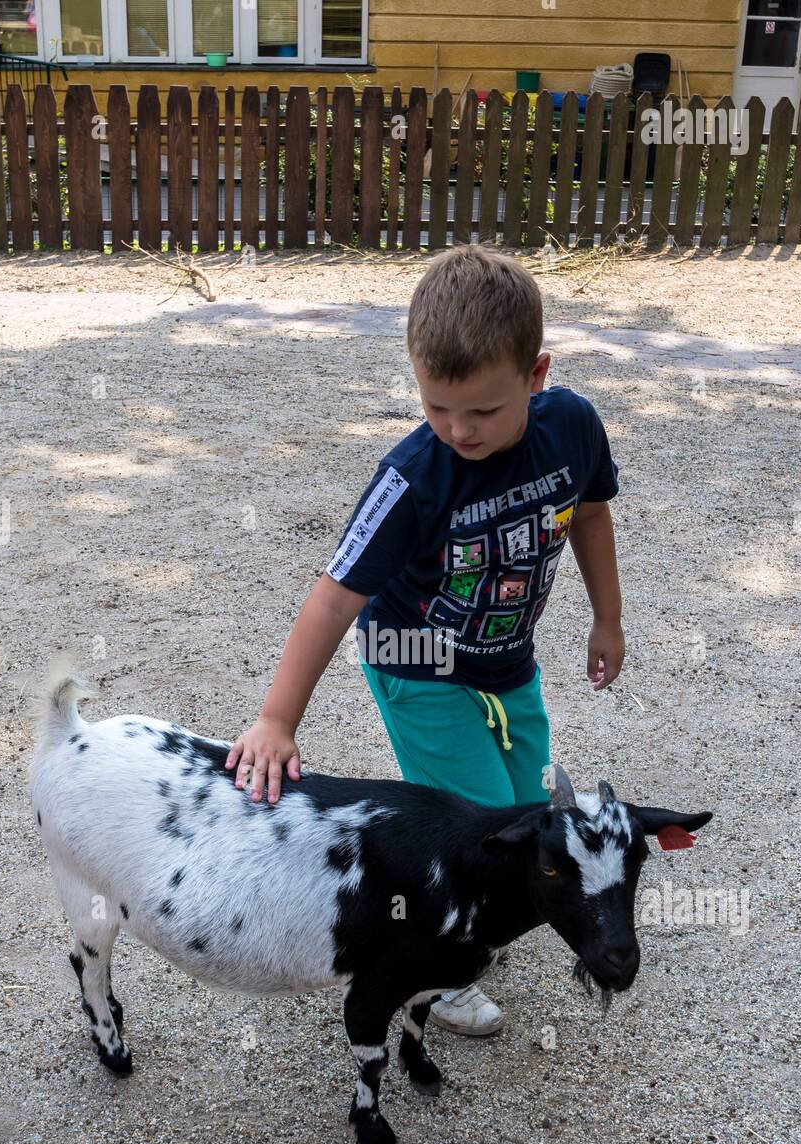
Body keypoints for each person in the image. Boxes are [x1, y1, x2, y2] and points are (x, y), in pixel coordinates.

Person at [227, 245, 624, 1035]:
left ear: (536, 374)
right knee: (474, 825)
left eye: (483, 410)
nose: (458, 429)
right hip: (420, 666)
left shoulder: (572, 427)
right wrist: (276, 718)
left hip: (509, 664)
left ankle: (492, 913)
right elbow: (336, 596)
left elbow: (589, 512)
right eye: (436, 406)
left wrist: (606, 616)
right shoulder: (410, 479)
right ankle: (439, 973)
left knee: (524, 808)